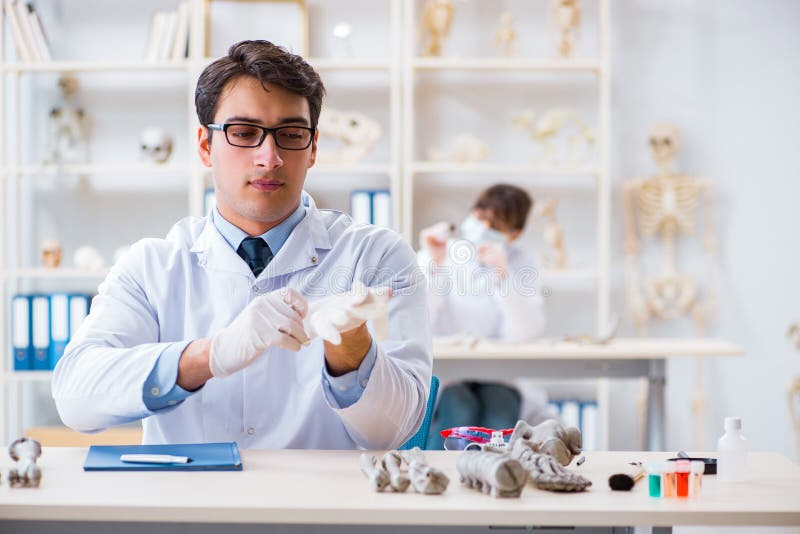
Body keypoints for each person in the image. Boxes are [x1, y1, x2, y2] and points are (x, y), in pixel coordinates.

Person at [52, 40, 432, 450]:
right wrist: (209, 356)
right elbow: (76, 397)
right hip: (191, 508)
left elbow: (397, 431)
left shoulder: (375, 257)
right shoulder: (152, 266)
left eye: (290, 134)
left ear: (314, 148)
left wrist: (352, 349)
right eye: (244, 133)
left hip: (320, 509)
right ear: (204, 146)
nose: (269, 157)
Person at [417, 184, 552, 449]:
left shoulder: (522, 262)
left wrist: (502, 274)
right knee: (458, 410)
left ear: (514, 235)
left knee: (499, 415)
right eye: (480, 218)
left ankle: (494, 478)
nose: (482, 227)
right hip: (450, 374)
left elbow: (526, 332)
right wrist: (433, 264)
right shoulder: (444, 253)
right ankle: (438, 480)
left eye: (495, 225)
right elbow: (419, 320)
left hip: (499, 374)